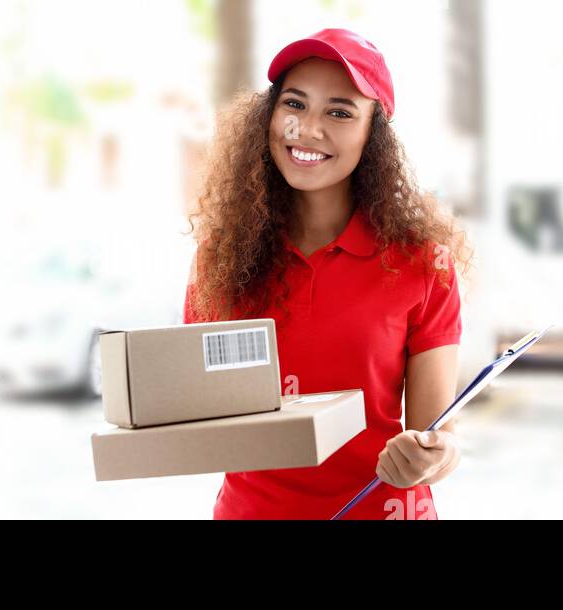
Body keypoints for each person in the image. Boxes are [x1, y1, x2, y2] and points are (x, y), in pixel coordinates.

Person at [184, 29, 471, 519]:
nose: (308, 128)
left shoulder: (423, 262)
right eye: (294, 104)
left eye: (339, 112)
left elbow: (438, 434)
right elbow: (202, 418)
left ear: (372, 134)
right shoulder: (222, 257)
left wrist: (432, 458)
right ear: (270, 116)